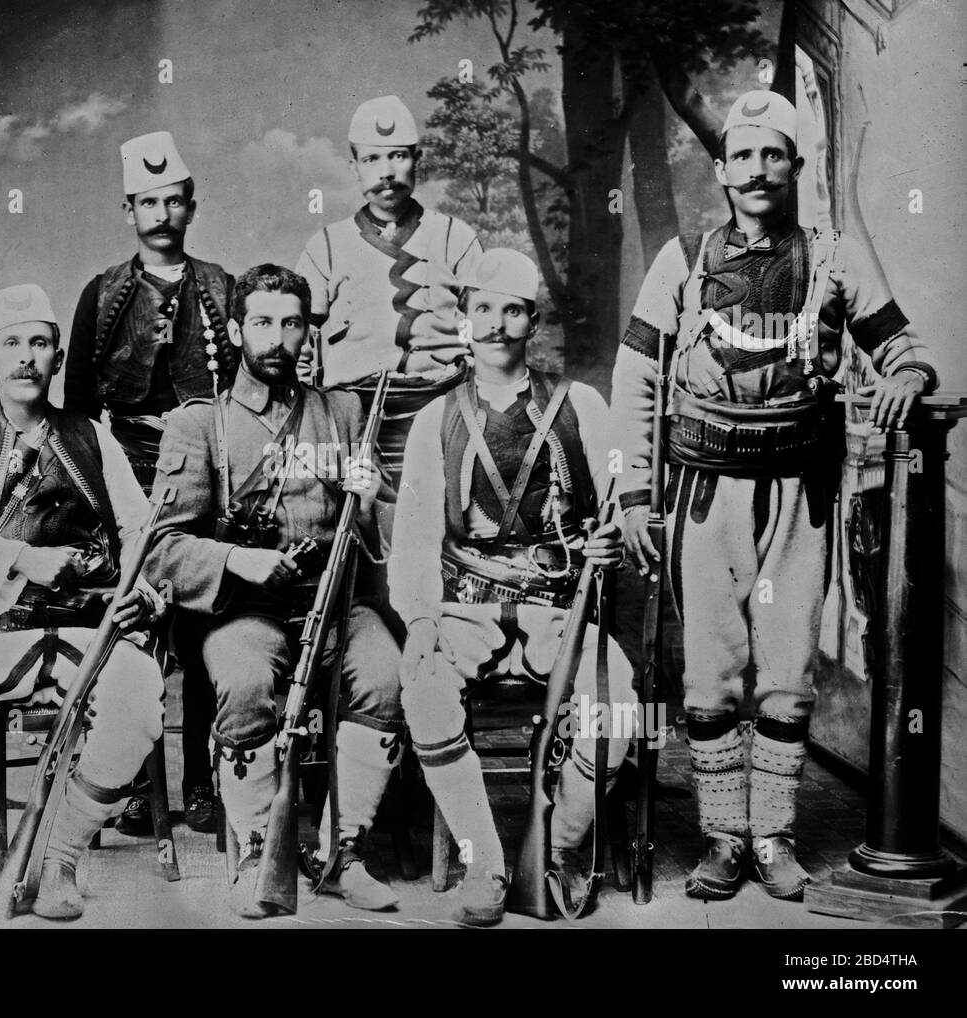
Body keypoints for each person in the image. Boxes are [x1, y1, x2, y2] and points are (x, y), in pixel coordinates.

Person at [609, 91, 937, 902]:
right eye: (743, 157)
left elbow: (905, 347)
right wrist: (631, 495)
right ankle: (723, 839)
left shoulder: (833, 257)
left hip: (800, 493)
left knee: (786, 671)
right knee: (713, 675)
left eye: (774, 155)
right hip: (704, 490)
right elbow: (634, 379)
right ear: (721, 172)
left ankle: (775, 838)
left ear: (795, 167)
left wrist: (906, 375)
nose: (758, 170)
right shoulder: (681, 260)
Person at [146, 264, 405, 919]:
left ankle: (345, 854)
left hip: (338, 604)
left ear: (306, 331)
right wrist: (238, 561)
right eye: (262, 322)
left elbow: (397, 533)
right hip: (246, 611)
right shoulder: (200, 425)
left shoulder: (343, 412)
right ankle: (263, 850)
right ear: (237, 329)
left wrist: (375, 502)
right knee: (243, 679)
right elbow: (163, 550)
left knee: (385, 673)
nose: (276, 338)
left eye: (291, 323)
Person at [0, 284, 165, 919]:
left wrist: (143, 592)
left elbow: (140, 531)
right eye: (12, 344)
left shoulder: (93, 437)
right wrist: (22, 560)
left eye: (41, 344)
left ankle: (60, 859)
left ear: (57, 356)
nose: (26, 357)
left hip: (89, 630)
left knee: (136, 704)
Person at [390, 249, 630, 925]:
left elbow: (613, 507)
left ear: (534, 320)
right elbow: (412, 535)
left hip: (559, 605)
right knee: (426, 689)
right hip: (465, 606)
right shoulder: (435, 420)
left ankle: (552, 854)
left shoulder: (580, 404)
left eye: (513, 310)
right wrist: (418, 622)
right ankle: (486, 864)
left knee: (622, 702)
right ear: (466, 318)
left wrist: (605, 545)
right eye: (483, 309)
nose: (497, 325)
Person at [62, 131, 233, 836]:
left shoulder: (222, 288)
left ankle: (200, 784)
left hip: (208, 474)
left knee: (199, 629)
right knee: (133, 627)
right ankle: (134, 787)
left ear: (191, 206)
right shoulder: (102, 295)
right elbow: (73, 413)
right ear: (127, 209)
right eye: (147, 202)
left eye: (174, 201)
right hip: (126, 473)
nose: (161, 213)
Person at [295, 95, 482, 486]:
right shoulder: (327, 245)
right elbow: (301, 342)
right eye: (372, 160)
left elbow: (485, 327)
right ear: (354, 167)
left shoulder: (455, 237)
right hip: (351, 416)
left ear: (418, 159)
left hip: (442, 407)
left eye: (398, 156)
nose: (387, 172)